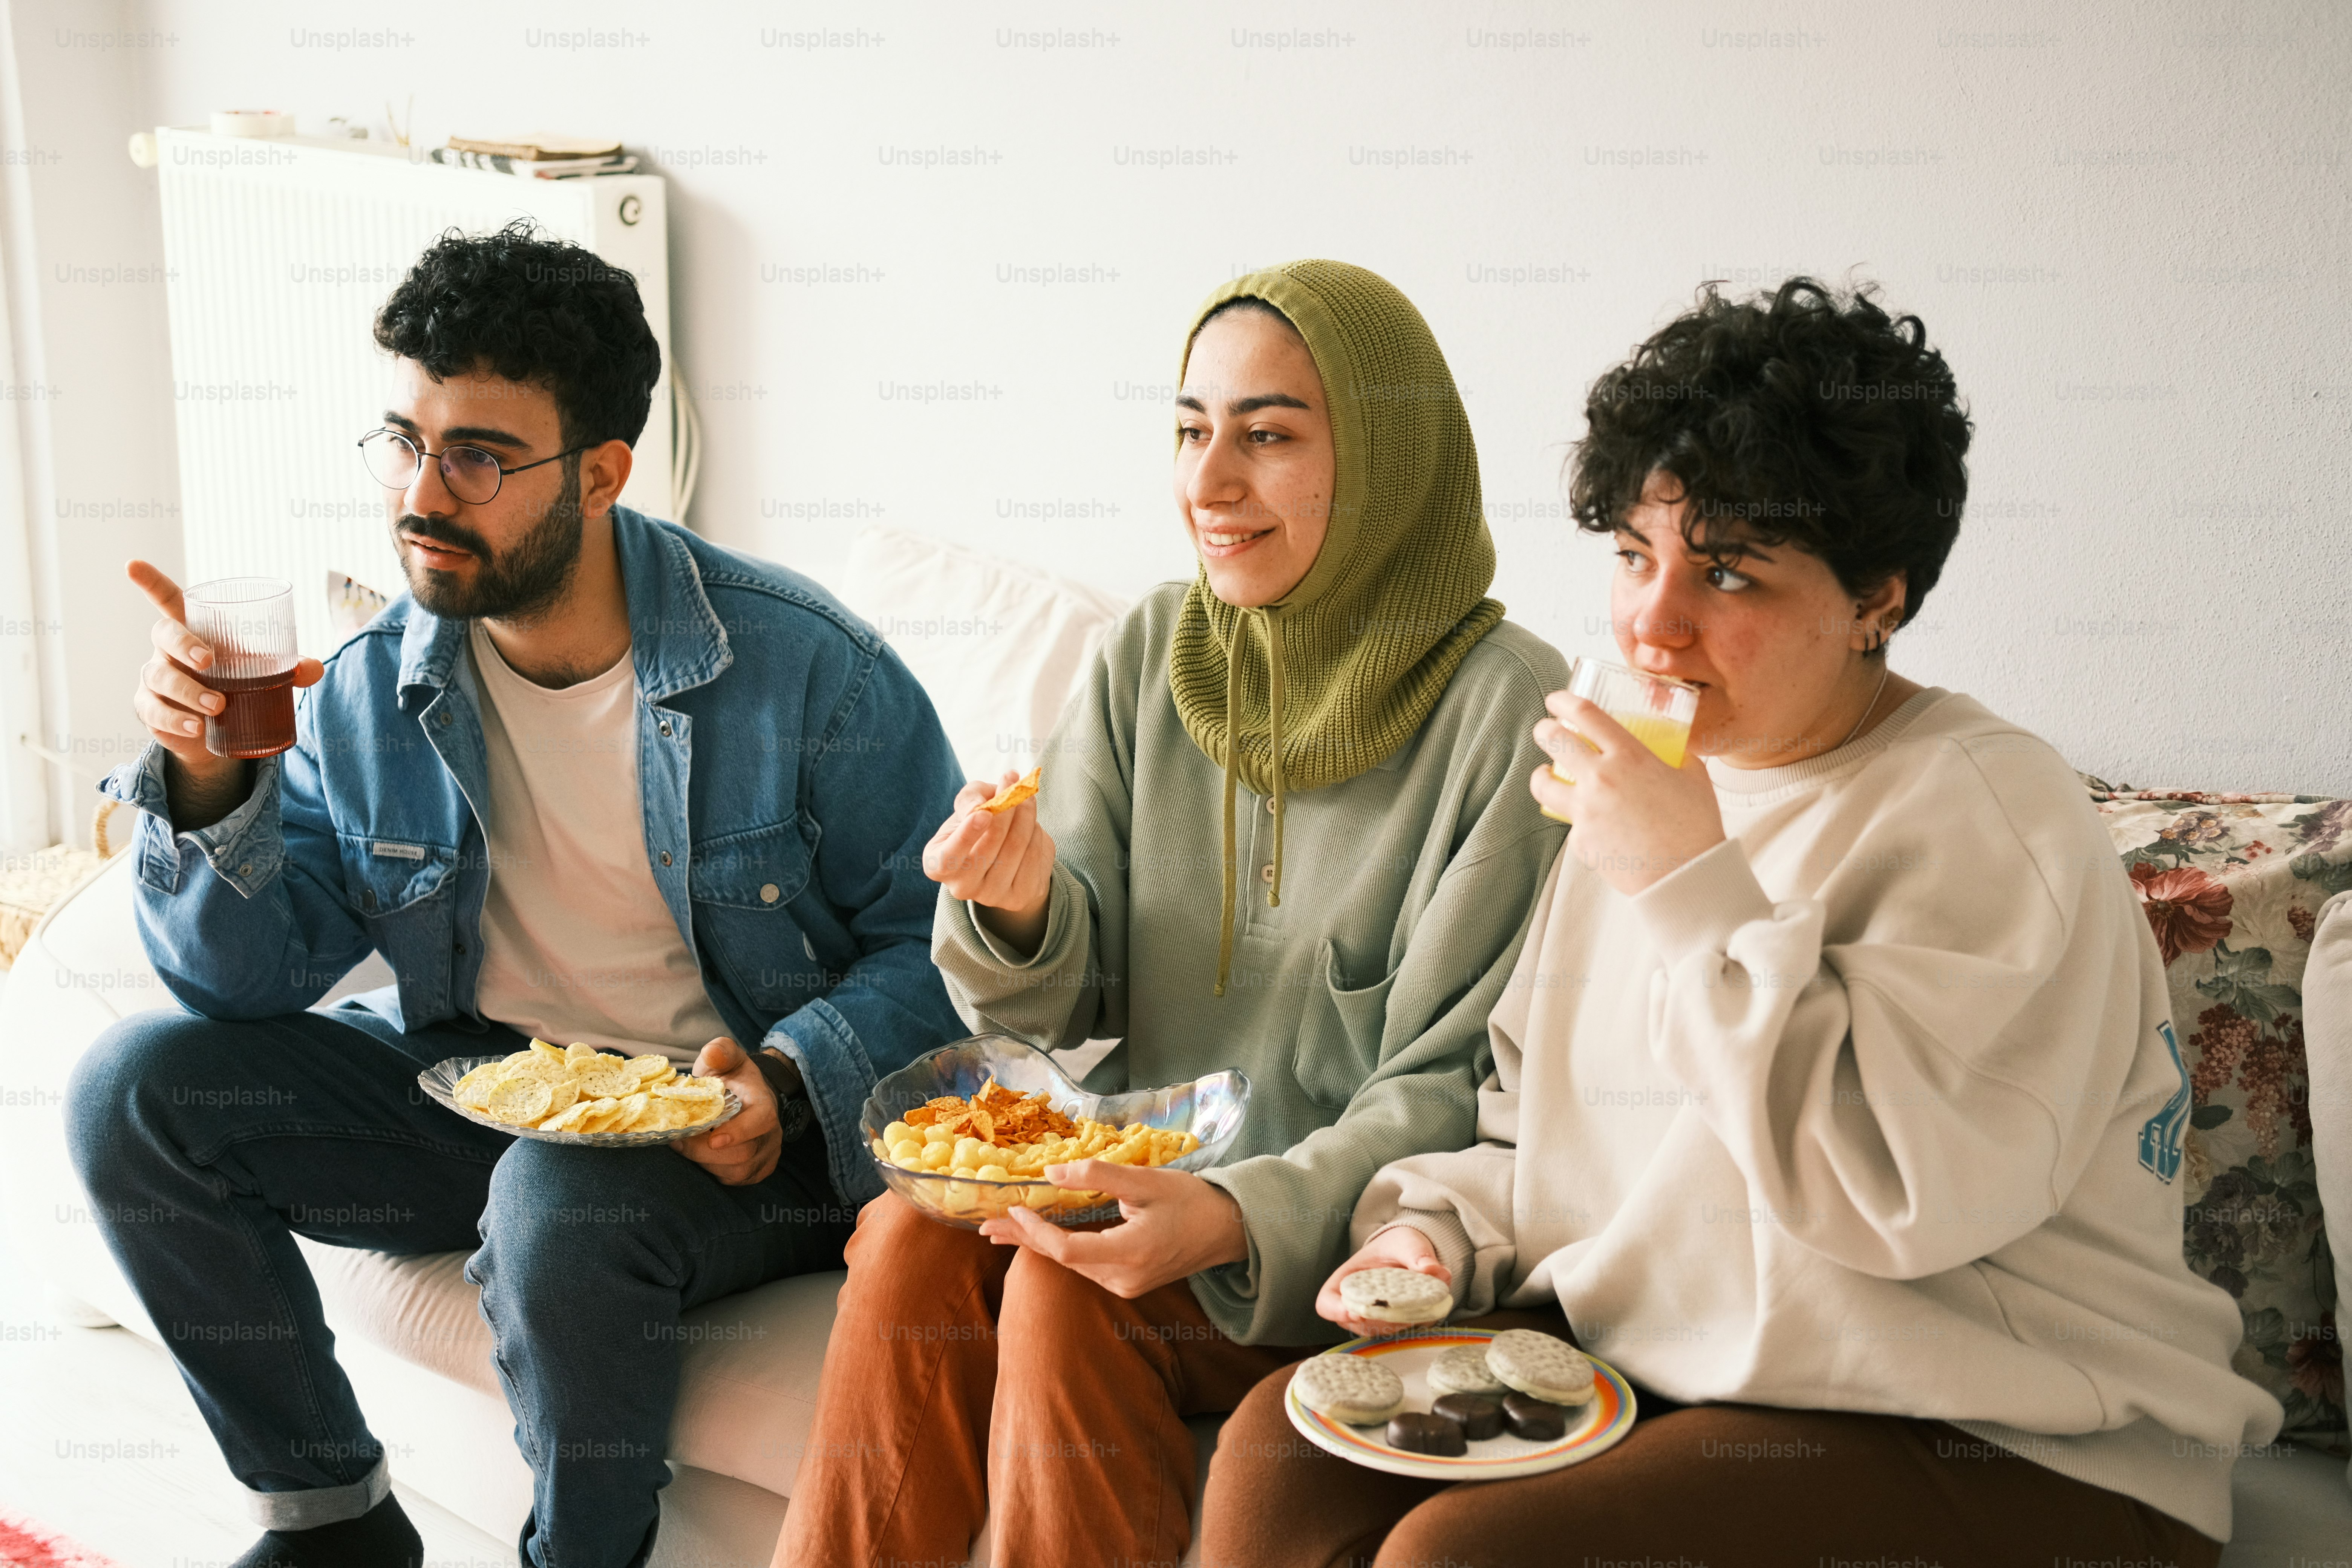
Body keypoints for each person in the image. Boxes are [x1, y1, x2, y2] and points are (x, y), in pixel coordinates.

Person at [1202, 277, 2285, 1568]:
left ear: (1878, 598)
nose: (1654, 623)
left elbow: (1888, 1201)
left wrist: (1688, 880)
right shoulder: (1653, 789)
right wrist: (1434, 1231)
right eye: (1634, 555)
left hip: (2009, 1427)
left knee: (1466, 1558)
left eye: (1725, 572)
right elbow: (1540, 1124)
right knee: (1279, 1462)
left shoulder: (1989, 814)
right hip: (1691, 1372)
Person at [66, 220, 966, 1568]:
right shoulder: (371, 686)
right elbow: (237, 982)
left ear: (600, 473)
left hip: (738, 1142)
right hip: (487, 1092)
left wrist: (784, 1085)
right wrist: (204, 782)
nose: (422, 494)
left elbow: (941, 953)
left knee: (561, 1199)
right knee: (132, 1089)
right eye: (404, 441)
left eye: (479, 457)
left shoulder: (808, 667)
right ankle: (330, 1525)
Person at [773, 260, 1568, 1568]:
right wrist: (1021, 905)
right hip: (1134, 1171)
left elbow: (1448, 1094)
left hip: (1345, 1244)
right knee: (913, 1234)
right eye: (1192, 431)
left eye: (1269, 437)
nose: (1209, 484)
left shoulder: (1506, 712)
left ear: (1384, 462)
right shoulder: (1155, 651)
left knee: (1065, 1293)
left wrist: (1236, 1214)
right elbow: (1064, 1010)